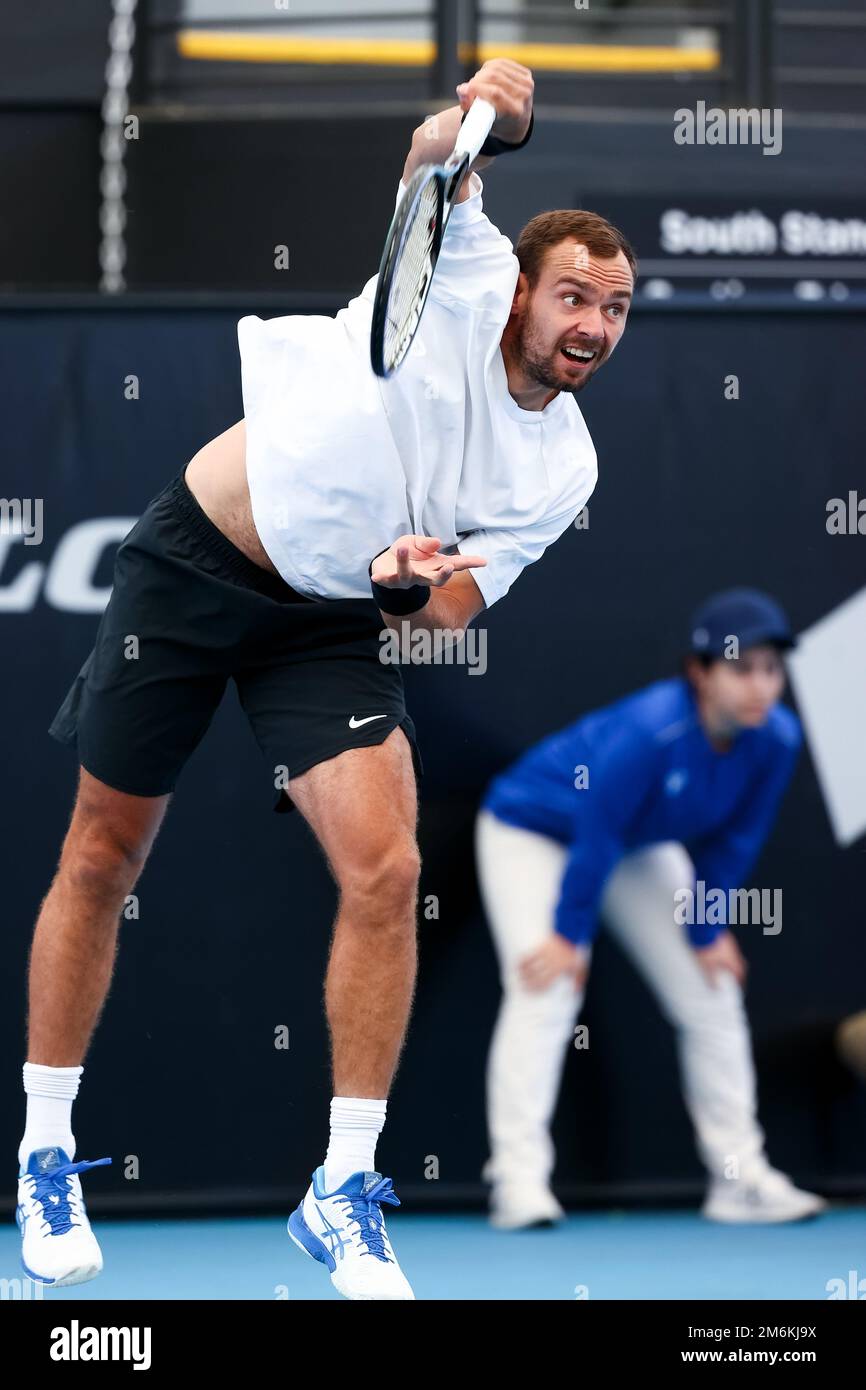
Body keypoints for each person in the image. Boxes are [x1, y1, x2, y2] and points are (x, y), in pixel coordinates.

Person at [16, 59, 637, 1299]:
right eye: (574, 296)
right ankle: (44, 1149)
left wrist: (408, 594)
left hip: (334, 615)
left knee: (388, 867)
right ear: (517, 287)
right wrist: (502, 116)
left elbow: (453, 604)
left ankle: (342, 1187)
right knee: (101, 855)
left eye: (617, 310)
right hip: (201, 559)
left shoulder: (563, 470)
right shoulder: (460, 275)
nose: (592, 327)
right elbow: (430, 157)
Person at [476, 589, 827, 1230]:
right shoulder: (650, 731)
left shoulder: (776, 739)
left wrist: (705, 927)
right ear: (700, 672)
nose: (760, 685)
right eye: (742, 668)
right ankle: (517, 1181)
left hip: (635, 842)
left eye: (771, 669)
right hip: (533, 828)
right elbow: (597, 833)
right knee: (546, 986)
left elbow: (734, 842)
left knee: (711, 987)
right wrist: (566, 934)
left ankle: (739, 1181)